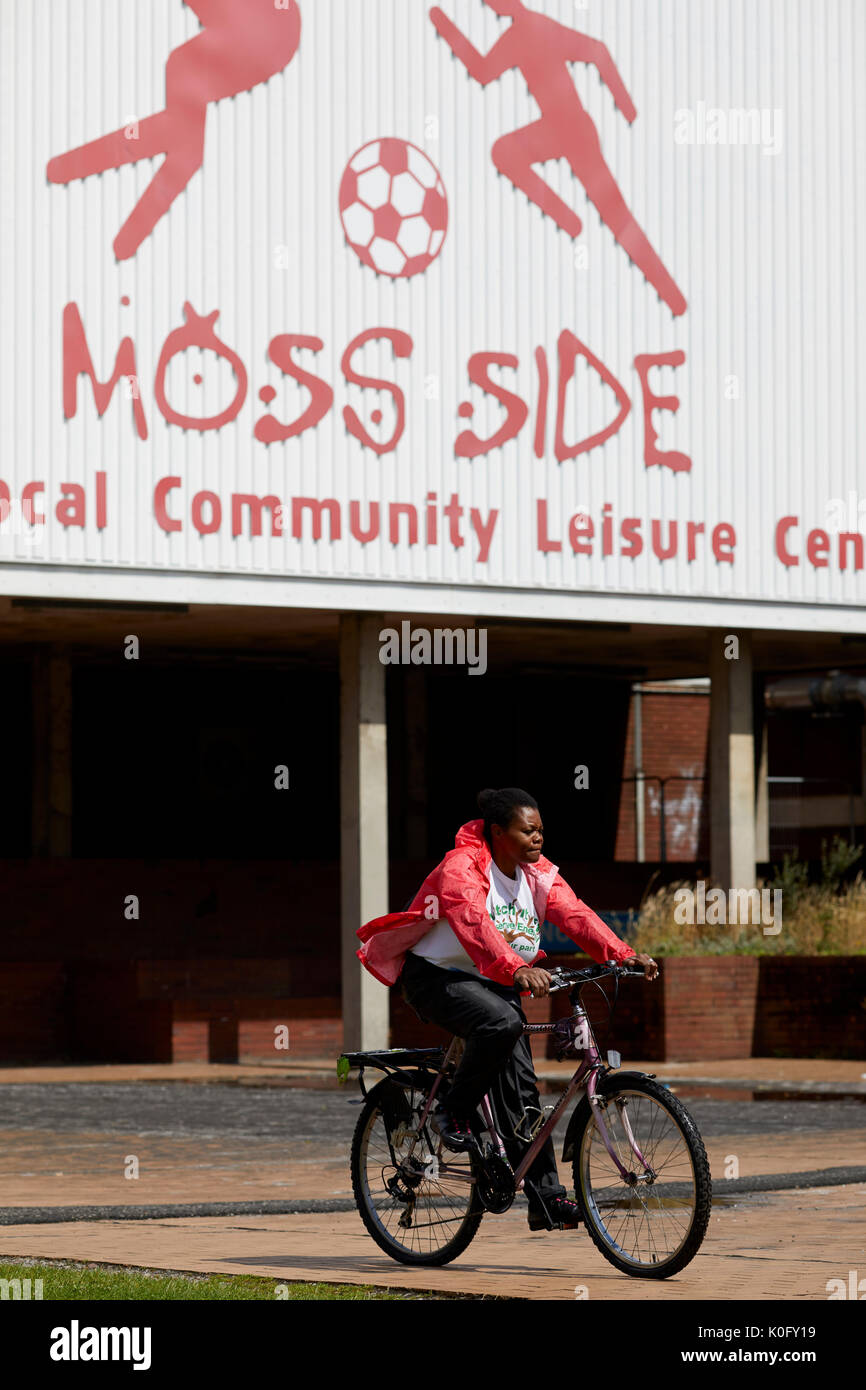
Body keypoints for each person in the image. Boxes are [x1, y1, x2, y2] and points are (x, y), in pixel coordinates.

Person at [356, 786, 658, 1232]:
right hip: (438, 978)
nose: (538, 838)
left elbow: (575, 914)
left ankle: (547, 1198)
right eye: (527, 830)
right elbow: (472, 922)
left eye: (540, 830)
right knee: (502, 1022)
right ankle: (452, 1110)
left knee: (523, 1093)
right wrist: (515, 968)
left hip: (497, 978)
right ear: (498, 832)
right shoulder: (461, 867)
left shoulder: (535, 873)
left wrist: (619, 953)